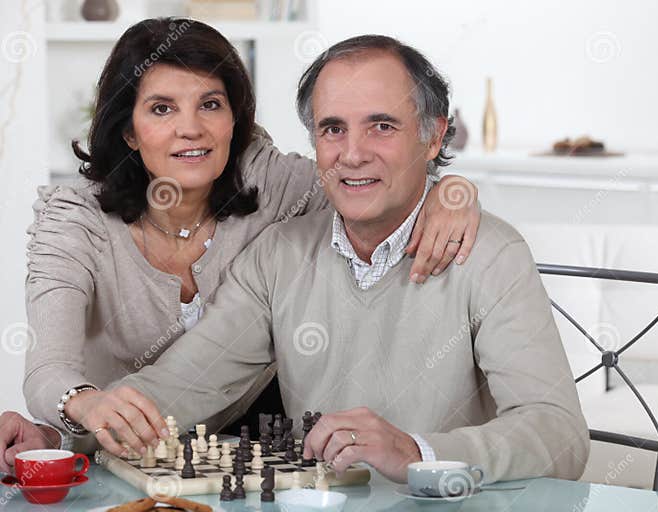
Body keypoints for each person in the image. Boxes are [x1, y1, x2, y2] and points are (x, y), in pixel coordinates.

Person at [67, 34, 589, 484]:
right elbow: (183, 384)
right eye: (332, 128)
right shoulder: (279, 254)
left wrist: (417, 452)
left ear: (433, 136)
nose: (353, 152)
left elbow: (558, 434)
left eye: (382, 126)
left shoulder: (490, 253)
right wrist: (62, 429)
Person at [0, 20, 481, 473]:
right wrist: (82, 408)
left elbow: (367, 178)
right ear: (129, 130)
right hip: (122, 443)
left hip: (254, 440)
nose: (191, 128)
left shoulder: (271, 183)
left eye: (210, 104)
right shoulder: (74, 219)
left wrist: (449, 190)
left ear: (235, 117)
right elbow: (49, 368)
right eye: (162, 108)